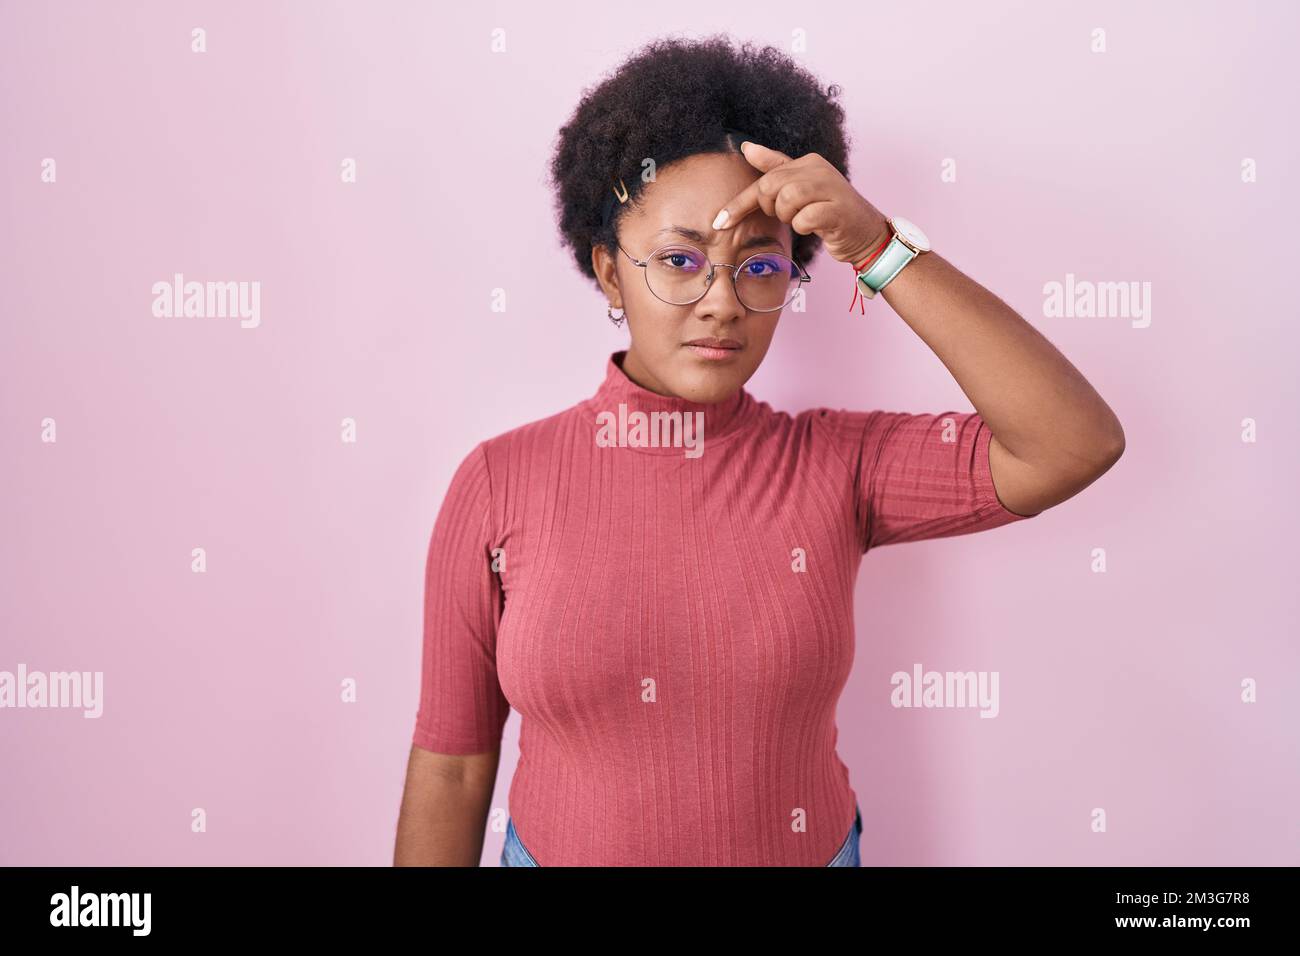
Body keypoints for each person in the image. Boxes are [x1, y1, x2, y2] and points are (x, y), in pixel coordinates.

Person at [394, 35, 1124, 867]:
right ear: (607, 271)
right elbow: (452, 767)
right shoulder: (499, 482)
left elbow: (1076, 440)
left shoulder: (837, 465)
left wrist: (878, 246)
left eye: (761, 266)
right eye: (678, 261)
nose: (722, 303)